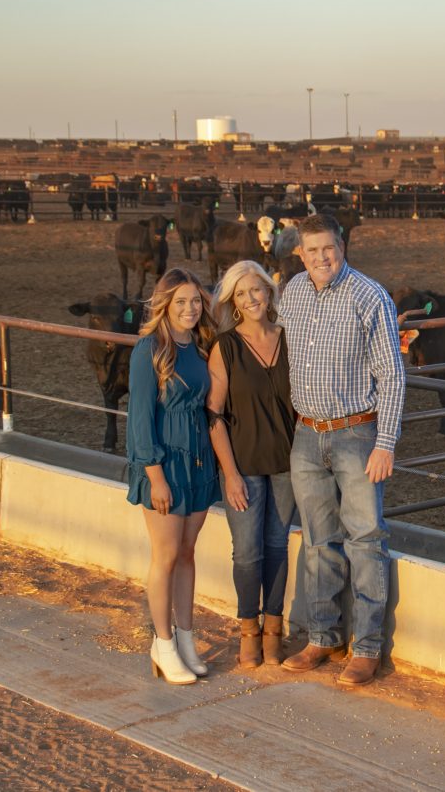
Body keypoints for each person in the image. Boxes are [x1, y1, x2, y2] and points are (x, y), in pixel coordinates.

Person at [278, 214, 405, 687]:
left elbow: (391, 375)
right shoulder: (291, 293)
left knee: (366, 538)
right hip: (307, 434)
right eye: (311, 252)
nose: (320, 258)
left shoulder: (369, 297)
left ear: (342, 246)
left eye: (327, 249)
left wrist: (386, 443)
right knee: (317, 539)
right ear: (301, 254)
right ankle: (323, 636)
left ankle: (368, 647)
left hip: (356, 434)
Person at [125, 267, 220, 685]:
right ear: (164, 304)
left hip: (198, 465)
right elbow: (140, 419)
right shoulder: (149, 350)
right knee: (164, 556)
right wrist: (155, 474)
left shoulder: (200, 349)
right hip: (164, 467)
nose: (190, 308)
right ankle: (161, 643)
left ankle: (185, 639)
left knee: (187, 554)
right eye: (180, 301)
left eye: (196, 301)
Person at [207, 260, 297, 669]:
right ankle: (248, 629)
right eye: (241, 294)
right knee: (246, 553)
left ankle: (274, 628)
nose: (250, 299)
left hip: (287, 464)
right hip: (242, 464)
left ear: (269, 291)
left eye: (256, 290)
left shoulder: (289, 338)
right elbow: (214, 414)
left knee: (277, 547)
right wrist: (229, 474)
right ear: (233, 302)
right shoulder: (225, 346)